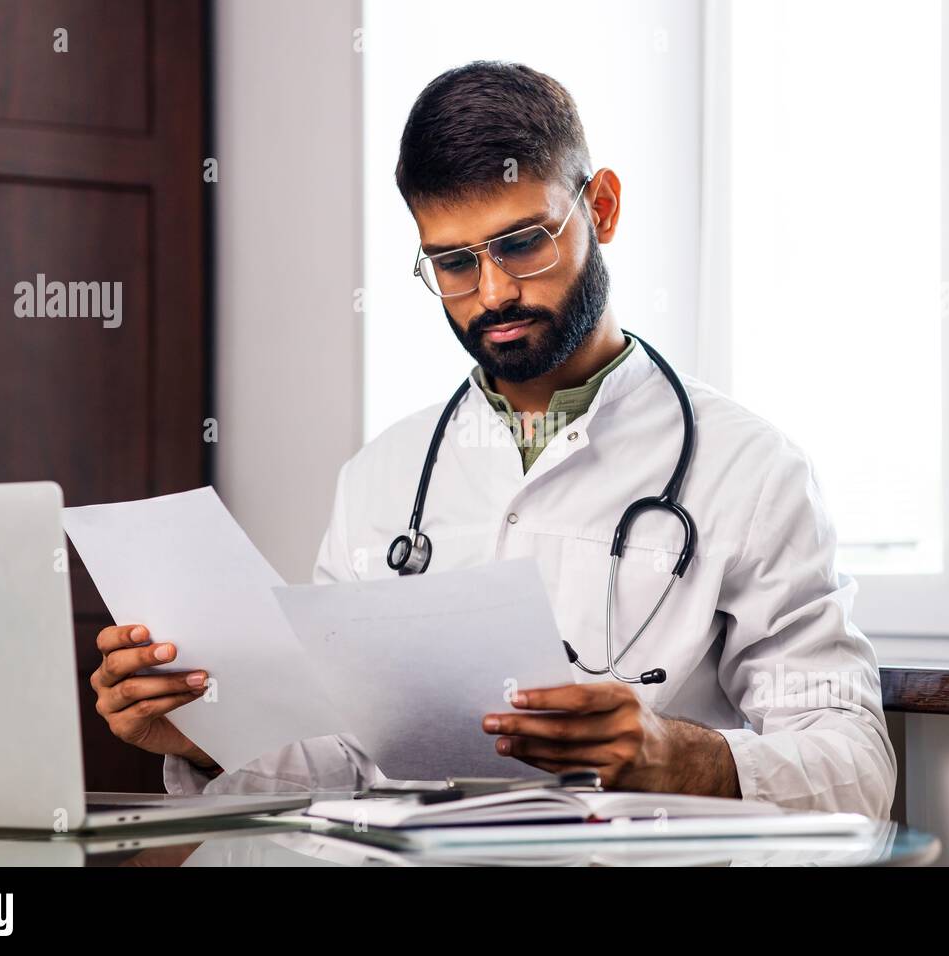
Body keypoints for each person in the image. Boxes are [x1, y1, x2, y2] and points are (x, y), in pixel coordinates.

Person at [90, 61, 896, 817]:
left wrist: (677, 755)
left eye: (522, 243)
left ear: (602, 208)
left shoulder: (751, 470)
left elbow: (856, 769)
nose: (495, 292)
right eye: (453, 262)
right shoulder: (385, 476)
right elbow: (347, 758)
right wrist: (199, 735)